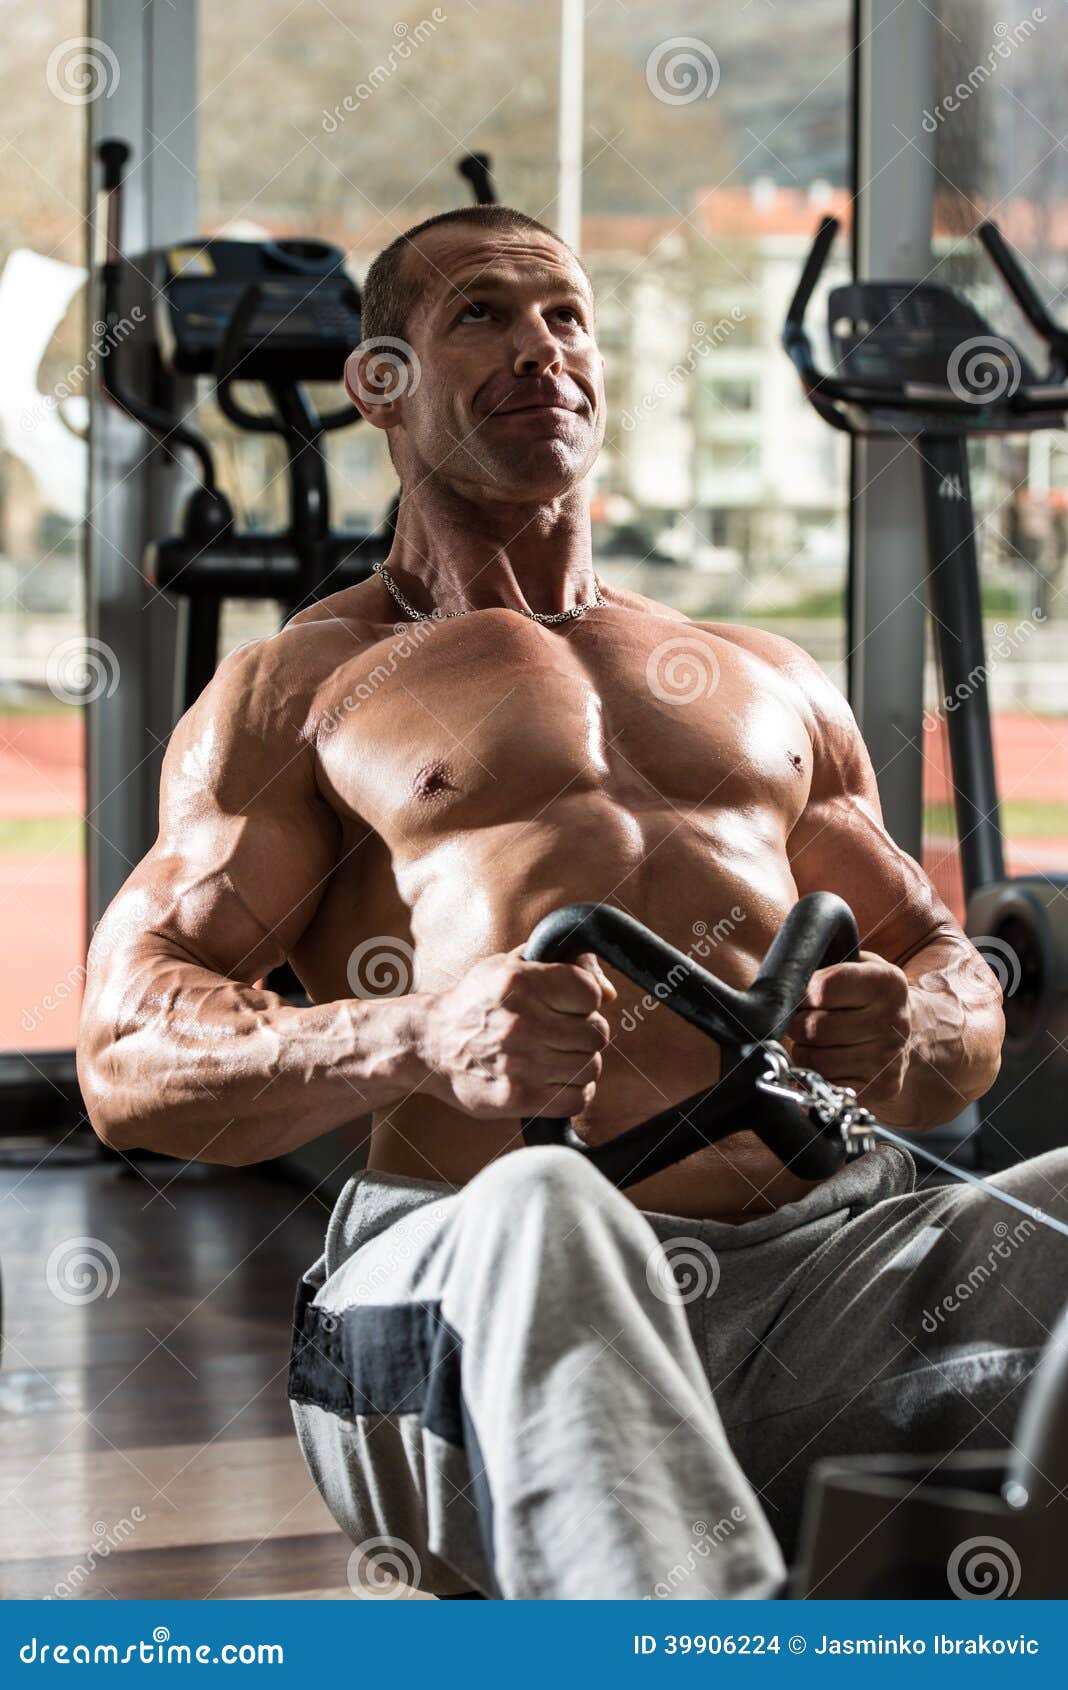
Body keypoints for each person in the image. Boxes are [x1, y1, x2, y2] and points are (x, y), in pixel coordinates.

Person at [77, 205, 1063, 1601]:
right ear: (381, 384)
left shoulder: (765, 677)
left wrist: (910, 1032)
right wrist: (414, 1039)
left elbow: (944, 965)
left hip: (819, 1288)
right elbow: (125, 1052)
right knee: (551, 1205)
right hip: (469, 1310)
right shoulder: (301, 690)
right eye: (482, 313)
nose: (542, 348)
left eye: (566, 317)